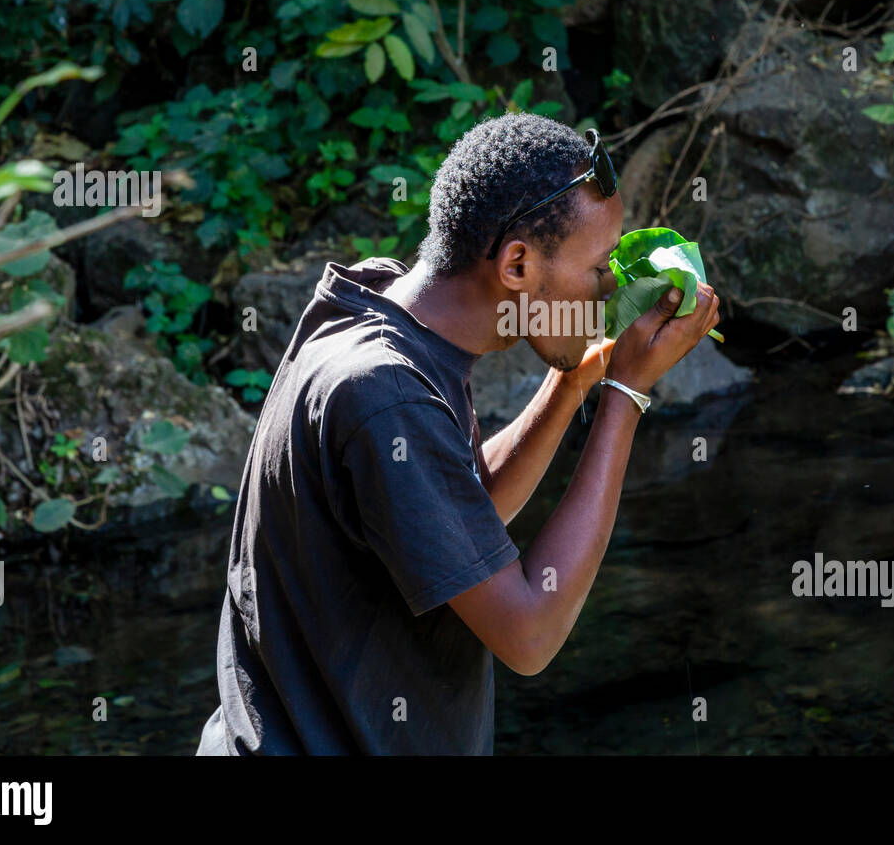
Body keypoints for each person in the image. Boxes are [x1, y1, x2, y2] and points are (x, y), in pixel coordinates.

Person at [195, 112, 720, 754]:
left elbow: (463, 513)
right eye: (601, 267)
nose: (612, 286)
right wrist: (626, 396)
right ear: (518, 265)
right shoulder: (384, 395)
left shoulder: (384, 309)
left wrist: (576, 381)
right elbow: (529, 636)